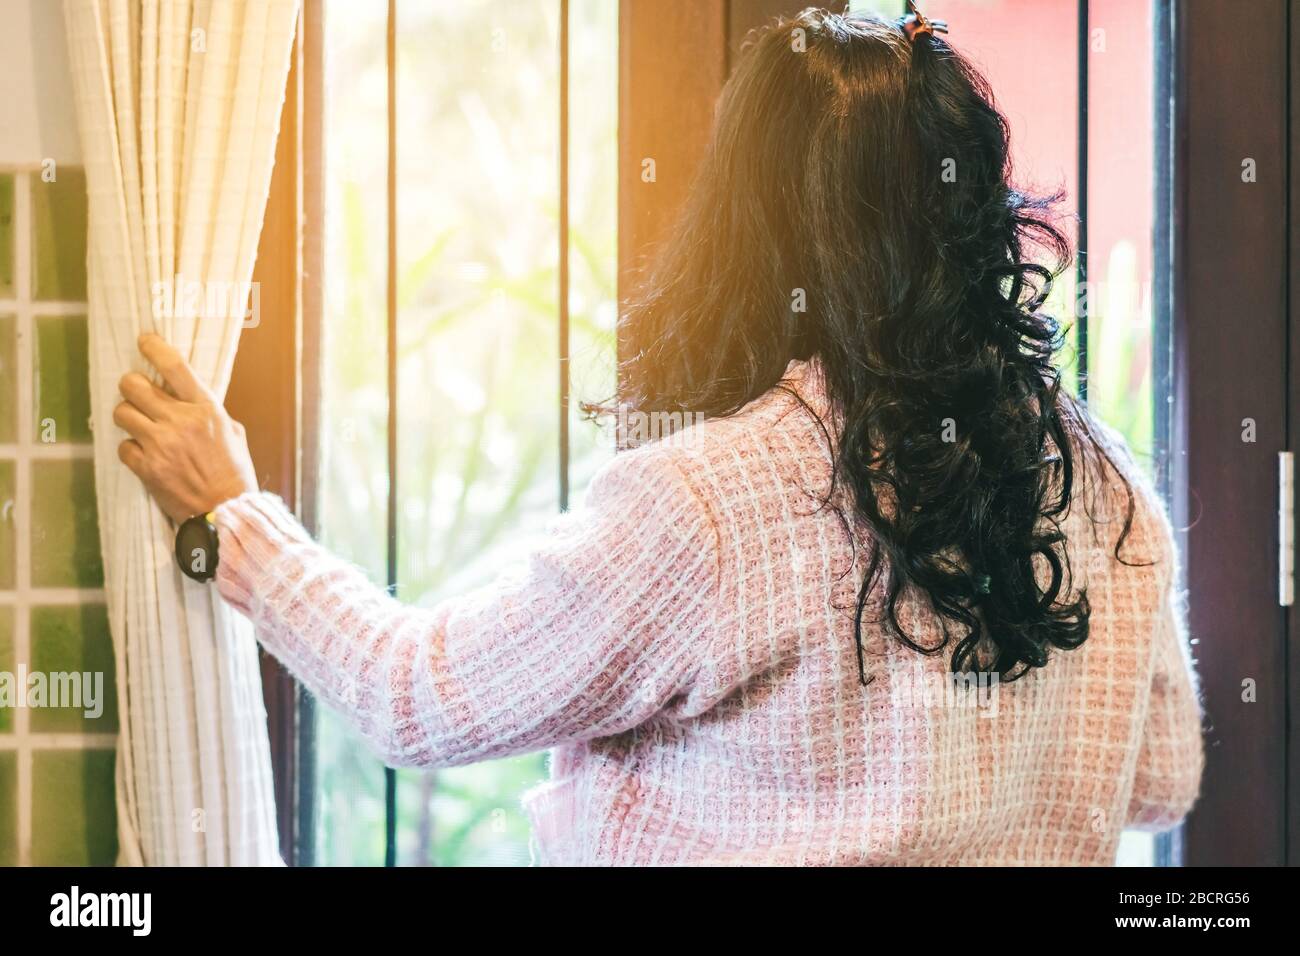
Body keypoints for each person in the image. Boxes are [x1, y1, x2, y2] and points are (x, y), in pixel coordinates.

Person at [112, 7, 1203, 865]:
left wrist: (233, 516)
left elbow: (416, 694)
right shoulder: (1101, 483)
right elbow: (1161, 778)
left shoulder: (709, 504)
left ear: (745, 220)